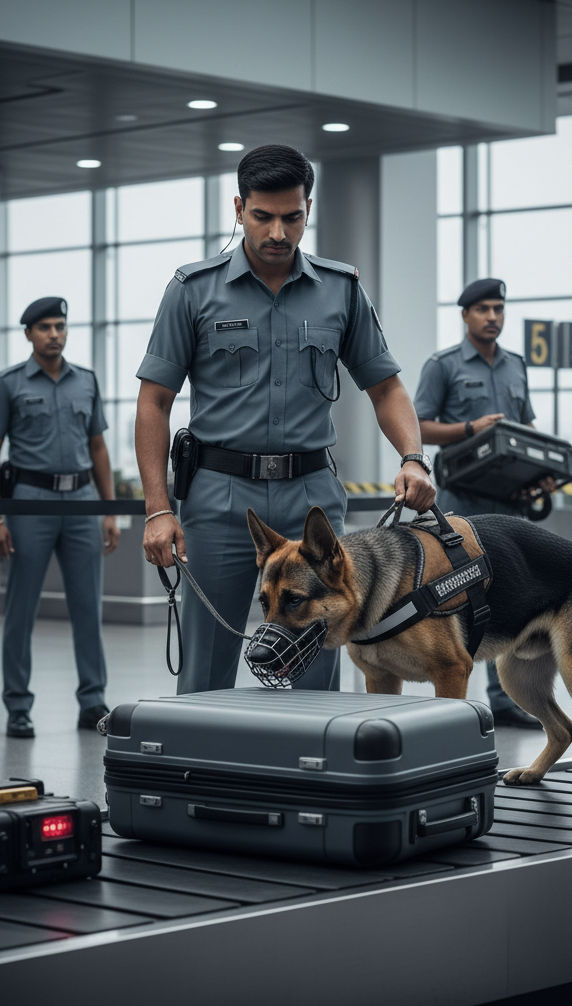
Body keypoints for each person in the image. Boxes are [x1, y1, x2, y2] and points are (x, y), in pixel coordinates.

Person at [135, 143, 435, 693]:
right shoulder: (192, 291)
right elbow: (154, 401)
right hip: (220, 499)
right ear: (238, 208)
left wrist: (413, 458)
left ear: (308, 209)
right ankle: (202, 754)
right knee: (205, 671)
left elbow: (386, 387)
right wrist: (158, 509)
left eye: (292, 217)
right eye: (262, 216)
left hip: (309, 500)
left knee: (315, 669)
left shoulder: (340, 290)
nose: (278, 232)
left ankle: (309, 755)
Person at [0, 296, 119, 738]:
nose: (54, 334)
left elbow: (98, 448)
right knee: (21, 609)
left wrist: (109, 510)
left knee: (88, 607)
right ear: (28, 334)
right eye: (45, 327)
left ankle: (92, 700)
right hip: (30, 502)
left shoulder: (86, 381)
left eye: (60, 325)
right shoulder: (7, 384)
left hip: (81, 501)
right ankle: (18, 705)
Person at [412, 277, 543, 729]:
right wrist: (471, 428)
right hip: (461, 503)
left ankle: (505, 698)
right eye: (483, 309)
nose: (492, 317)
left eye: (498, 309)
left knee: (509, 595)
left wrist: (539, 472)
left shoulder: (516, 366)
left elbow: (526, 428)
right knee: (465, 596)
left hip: (509, 501)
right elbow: (420, 426)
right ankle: (462, 695)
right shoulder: (443, 366)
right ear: (465, 315)